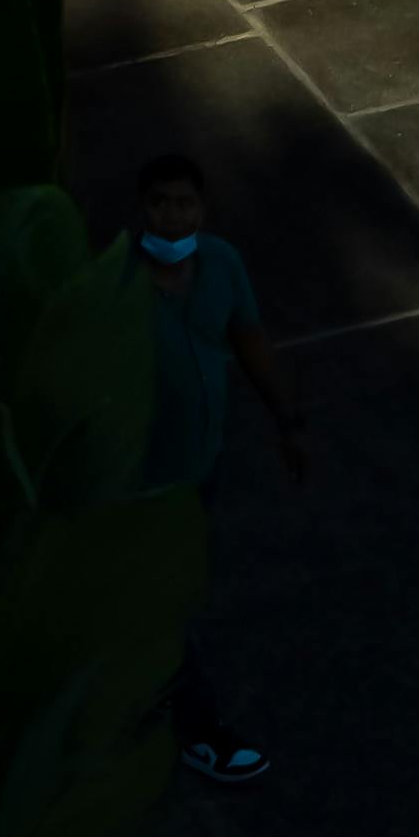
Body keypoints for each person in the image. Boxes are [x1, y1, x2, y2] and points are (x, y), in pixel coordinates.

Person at [122, 149, 307, 785]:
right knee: (161, 607)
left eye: (185, 203)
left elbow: (247, 337)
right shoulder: (111, 283)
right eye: (161, 203)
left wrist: (287, 420)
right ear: (140, 210)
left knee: (162, 601)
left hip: (200, 470)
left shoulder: (222, 263)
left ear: (203, 209)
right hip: (139, 485)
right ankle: (199, 731)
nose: (174, 216)